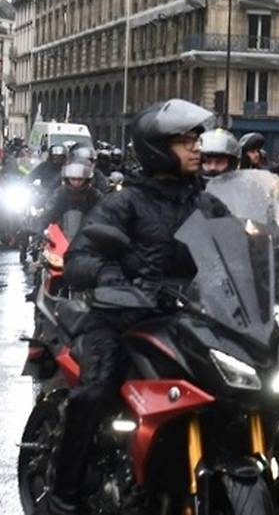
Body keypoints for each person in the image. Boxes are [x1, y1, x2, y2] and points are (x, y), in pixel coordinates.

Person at [48, 99, 227, 515]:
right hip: (121, 317)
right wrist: (111, 277)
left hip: (183, 318)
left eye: (197, 139)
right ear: (157, 149)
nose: (197, 147)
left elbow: (238, 249)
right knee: (94, 392)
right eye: (186, 141)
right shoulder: (125, 203)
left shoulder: (205, 203)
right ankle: (63, 493)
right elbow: (79, 257)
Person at [38, 161, 102, 233]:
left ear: (86, 179)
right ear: (67, 178)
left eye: (80, 179)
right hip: (61, 233)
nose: (76, 182)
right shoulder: (60, 193)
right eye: (73, 179)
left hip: (87, 234)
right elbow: (48, 213)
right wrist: (39, 229)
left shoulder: (94, 194)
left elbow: (102, 215)